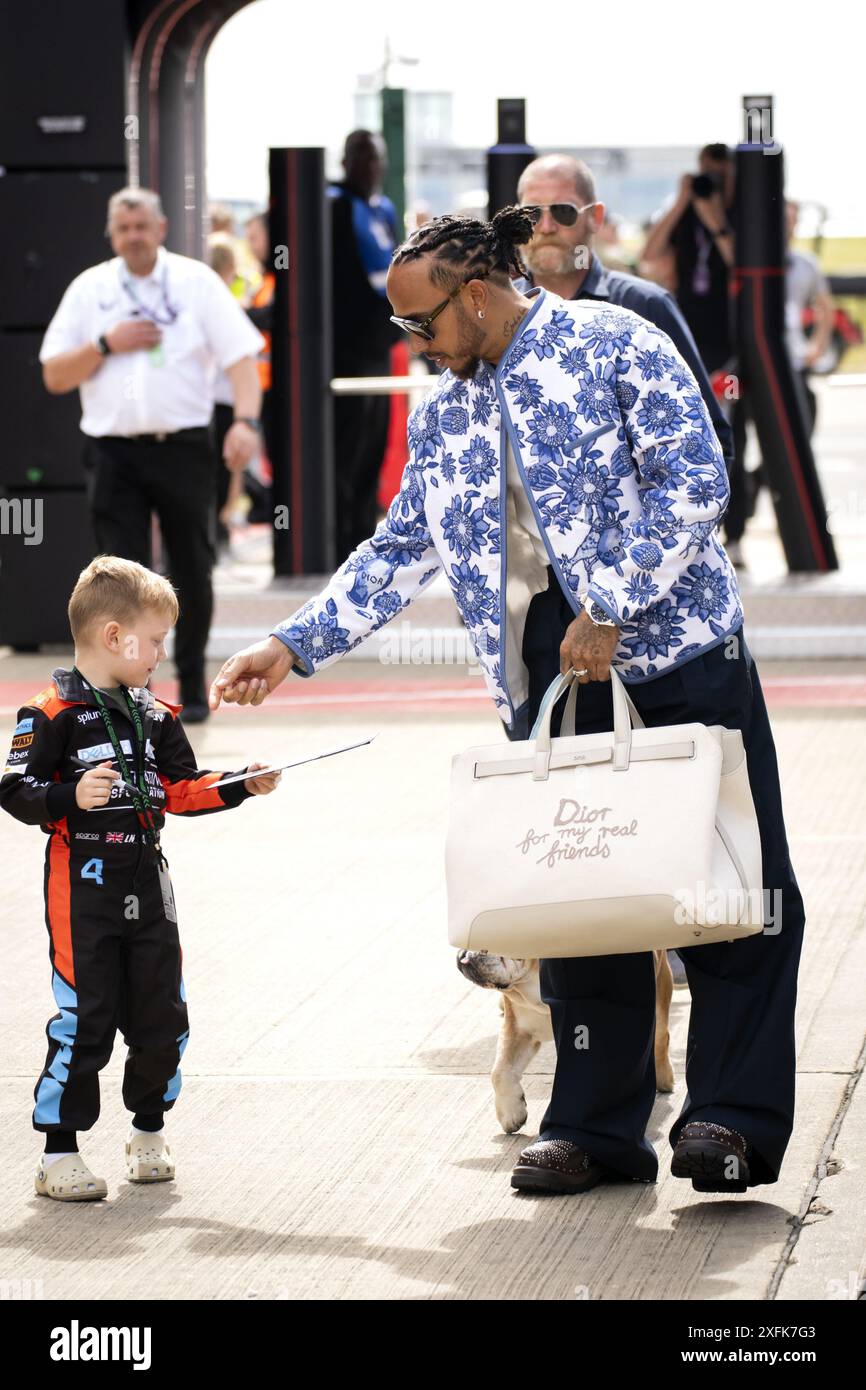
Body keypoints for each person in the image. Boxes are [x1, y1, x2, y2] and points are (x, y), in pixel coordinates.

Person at [207, 207, 805, 1199]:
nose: (414, 345)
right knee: (579, 900)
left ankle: (725, 1122)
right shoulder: (441, 408)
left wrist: (610, 598)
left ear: (476, 295)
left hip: (676, 654)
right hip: (545, 681)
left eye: (419, 325)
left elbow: (693, 481)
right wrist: (291, 642)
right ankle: (593, 1131)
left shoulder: (617, 342)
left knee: (731, 890)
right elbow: (402, 544)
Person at [0, 556, 281, 1201]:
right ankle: (59, 1152)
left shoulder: (156, 714)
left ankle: (148, 1129)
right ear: (112, 636)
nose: (161, 654)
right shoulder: (49, 711)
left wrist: (242, 784)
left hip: (149, 887)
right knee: (86, 1015)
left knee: (163, 1015)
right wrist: (70, 795)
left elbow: (182, 788)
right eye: (155, 641)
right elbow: (15, 792)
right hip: (82, 890)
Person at [39, 186, 265, 722]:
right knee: (118, 580)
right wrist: (104, 345)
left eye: (143, 226)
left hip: (183, 447)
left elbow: (241, 359)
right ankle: (126, 690)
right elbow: (53, 375)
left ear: (161, 229)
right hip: (113, 453)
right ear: (112, 235)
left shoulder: (196, 282)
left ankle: (189, 685)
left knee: (192, 563)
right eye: (124, 228)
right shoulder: (88, 290)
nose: (134, 236)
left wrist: (246, 421)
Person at [328, 130, 403, 555]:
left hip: (380, 348)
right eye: (362, 159)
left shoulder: (383, 210)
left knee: (374, 445)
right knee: (347, 449)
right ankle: (339, 538)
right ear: (346, 162)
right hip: (345, 352)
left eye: (376, 159)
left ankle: (360, 533)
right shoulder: (335, 205)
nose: (371, 168)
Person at [785, 200, 834, 436]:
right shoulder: (744, 259)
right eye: (783, 221)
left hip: (794, 354)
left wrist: (818, 344)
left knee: (804, 412)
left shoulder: (805, 264)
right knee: (735, 402)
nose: (787, 227)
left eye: (792, 222)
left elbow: (825, 306)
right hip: (746, 357)